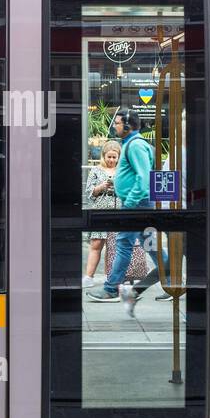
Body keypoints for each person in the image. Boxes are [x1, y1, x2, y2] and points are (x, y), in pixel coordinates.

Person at [86, 109, 159, 316]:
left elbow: (143, 178)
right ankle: (171, 277)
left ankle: (111, 289)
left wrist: (131, 203)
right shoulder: (134, 144)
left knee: (124, 243)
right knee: (151, 246)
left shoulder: (135, 145)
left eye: (117, 123)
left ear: (127, 126)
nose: (115, 126)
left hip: (137, 205)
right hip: (141, 204)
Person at [82, 140, 120, 287]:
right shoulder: (96, 170)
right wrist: (101, 187)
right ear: (103, 156)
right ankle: (89, 276)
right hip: (100, 210)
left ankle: (110, 277)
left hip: (118, 210)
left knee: (114, 247)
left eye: (114, 157)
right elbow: (89, 192)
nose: (111, 160)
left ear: (118, 157)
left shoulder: (122, 171)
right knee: (96, 244)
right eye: (109, 157)